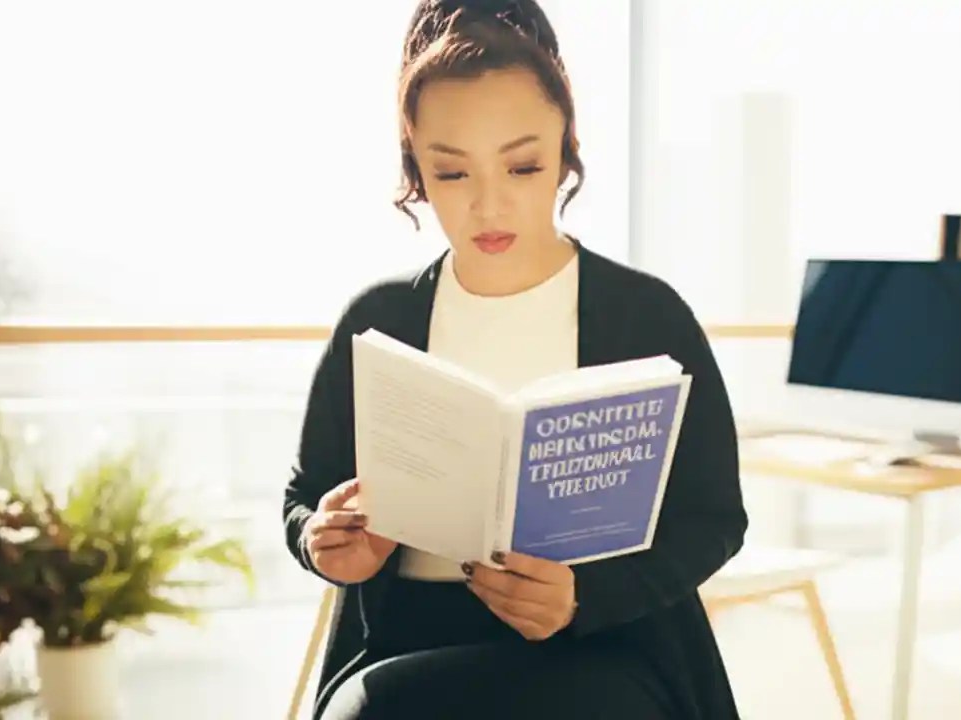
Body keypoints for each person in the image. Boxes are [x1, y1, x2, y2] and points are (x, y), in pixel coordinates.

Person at [281, 1, 748, 717]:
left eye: (523, 165)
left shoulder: (647, 316)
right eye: (453, 174)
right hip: (410, 645)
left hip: (607, 640)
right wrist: (325, 541)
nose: (490, 206)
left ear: (566, 150)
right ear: (417, 168)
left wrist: (586, 596)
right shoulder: (378, 321)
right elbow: (304, 499)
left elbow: (714, 518)